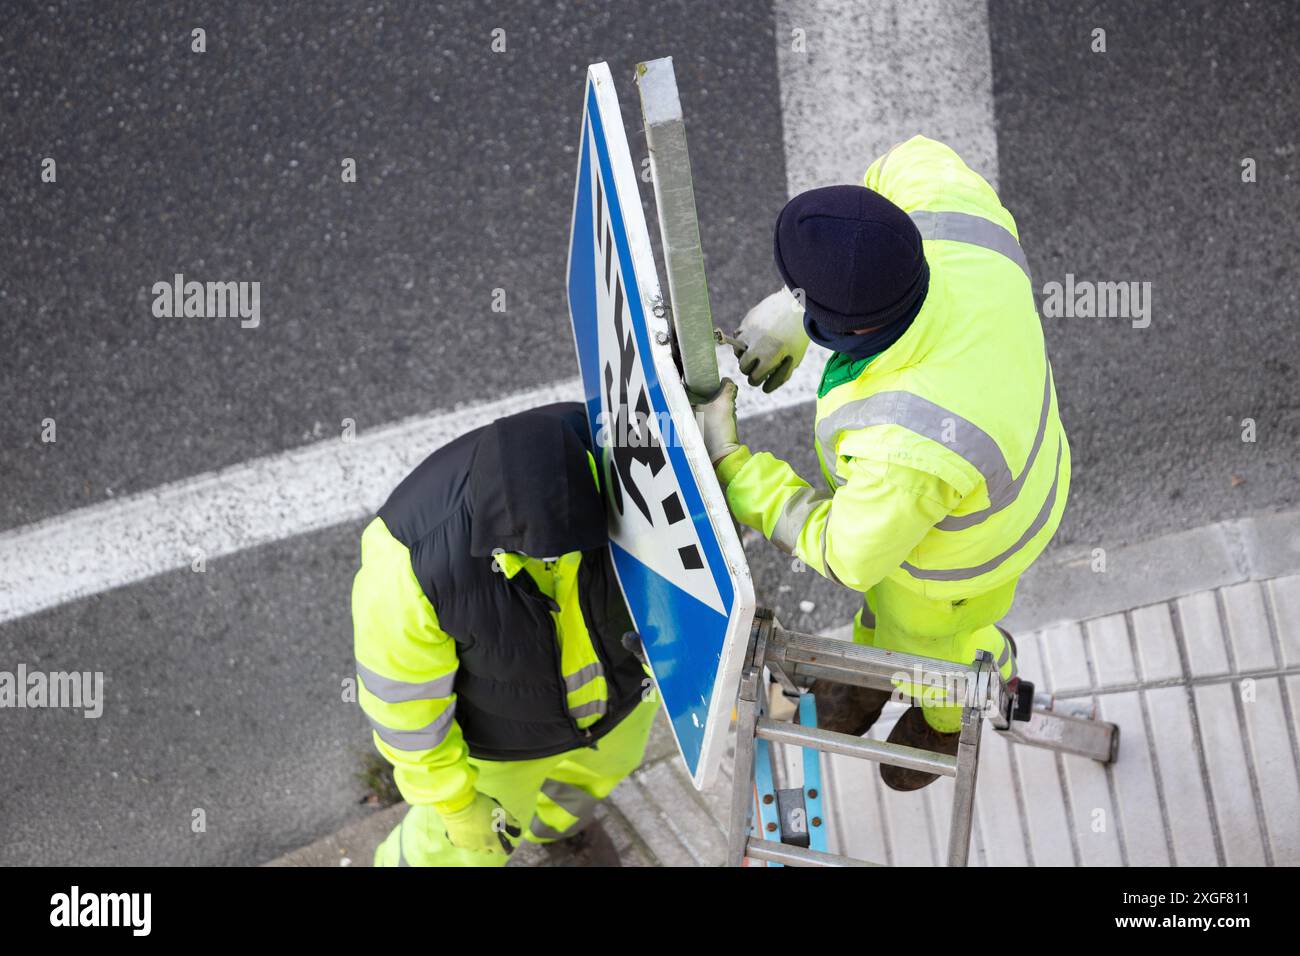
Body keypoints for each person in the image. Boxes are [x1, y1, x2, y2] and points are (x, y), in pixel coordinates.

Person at [693, 135, 1070, 791]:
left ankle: (950, 713)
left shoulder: (910, 437)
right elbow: (903, 163)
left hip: (959, 559)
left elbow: (851, 552)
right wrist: (798, 305)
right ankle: (872, 672)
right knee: (886, 609)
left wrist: (731, 467)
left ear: (850, 330)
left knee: (933, 641)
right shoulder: (953, 213)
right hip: (1026, 475)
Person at [351, 403, 656, 865]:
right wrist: (455, 803)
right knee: (451, 854)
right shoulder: (408, 565)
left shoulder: (632, 472)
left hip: (620, 710)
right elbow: (405, 711)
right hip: (500, 750)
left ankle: (556, 831)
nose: (554, 562)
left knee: (590, 780)